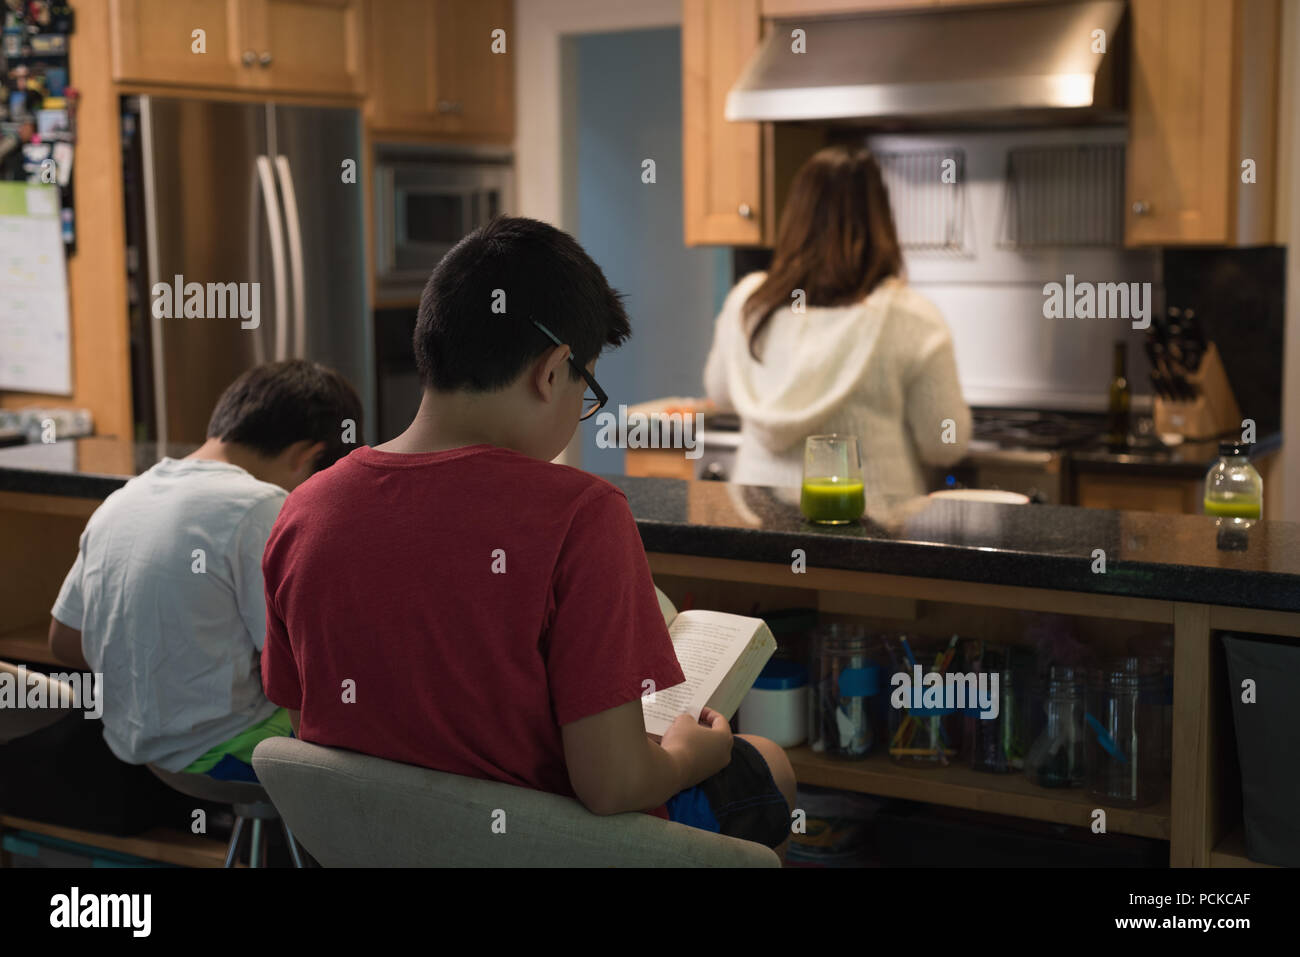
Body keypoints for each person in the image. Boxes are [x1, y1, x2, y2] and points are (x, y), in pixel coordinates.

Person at [260, 216, 796, 854]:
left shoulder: (306, 508)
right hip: (549, 847)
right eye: (587, 387)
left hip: (377, 845)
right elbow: (612, 783)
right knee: (768, 762)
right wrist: (685, 756)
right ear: (552, 371)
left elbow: (308, 725)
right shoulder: (582, 512)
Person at [48, 360, 362, 782]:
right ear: (308, 458)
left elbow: (65, 641)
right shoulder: (262, 506)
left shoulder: (123, 498)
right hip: (231, 751)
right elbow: (299, 668)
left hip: (143, 751)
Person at [704, 144, 971, 496]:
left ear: (795, 217)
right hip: (872, 523)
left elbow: (720, 393)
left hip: (760, 520)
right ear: (881, 221)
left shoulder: (749, 303)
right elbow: (944, 444)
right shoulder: (910, 316)